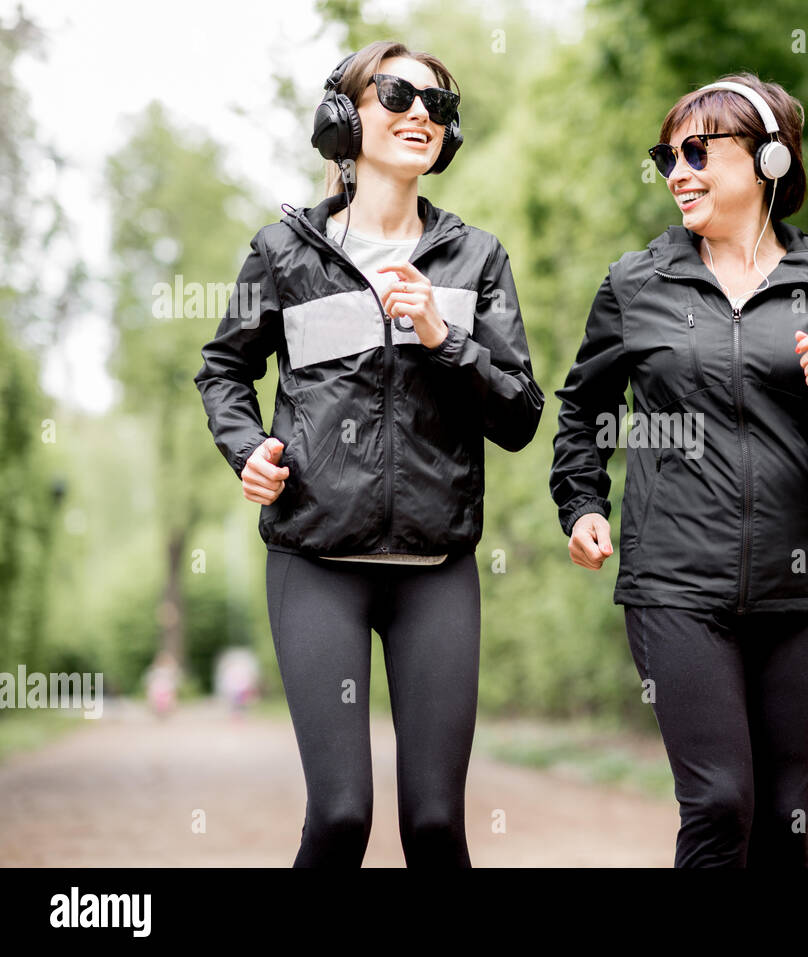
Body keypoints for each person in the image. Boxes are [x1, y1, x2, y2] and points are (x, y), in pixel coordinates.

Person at [550, 74, 808, 867]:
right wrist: (581, 502)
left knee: (785, 823)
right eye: (666, 157)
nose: (676, 171)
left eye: (696, 152)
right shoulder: (636, 283)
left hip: (804, 590)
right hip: (676, 582)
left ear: (769, 159)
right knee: (721, 804)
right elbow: (583, 409)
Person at [194, 41, 544, 867]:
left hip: (438, 564)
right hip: (317, 558)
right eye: (399, 95)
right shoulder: (283, 253)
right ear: (346, 117)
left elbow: (522, 414)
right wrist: (247, 449)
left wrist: (440, 335)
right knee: (343, 815)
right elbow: (222, 372)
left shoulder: (477, 258)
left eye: (440, 106)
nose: (423, 113)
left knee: (432, 825)